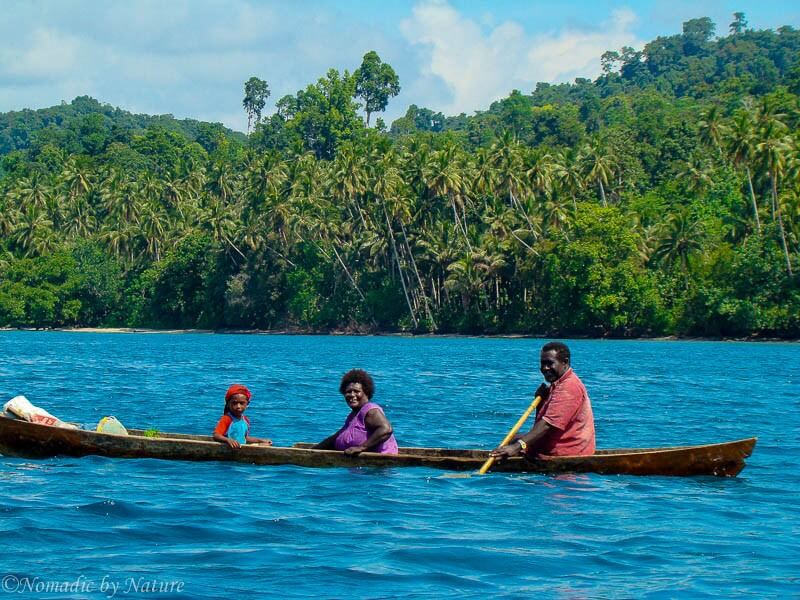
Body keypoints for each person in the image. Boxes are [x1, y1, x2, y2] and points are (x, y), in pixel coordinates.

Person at [490, 341, 595, 460]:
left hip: (567, 453)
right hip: (553, 448)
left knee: (516, 443)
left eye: (550, 363)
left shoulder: (569, 387)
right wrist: (541, 402)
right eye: (543, 363)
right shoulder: (557, 385)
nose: (545, 368)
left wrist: (517, 447)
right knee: (514, 438)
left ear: (565, 362)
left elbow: (547, 425)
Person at [314, 369, 398, 455]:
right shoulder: (353, 415)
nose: (352, 395)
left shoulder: (371, 410)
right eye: (348, 392)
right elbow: (335, 438)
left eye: (357, 391)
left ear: (367, 393)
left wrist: (361, 447)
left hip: (378, 466)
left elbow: (386, 429)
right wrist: (313, 450)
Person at [213, 384, 272, 449]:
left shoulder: (246, 420)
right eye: (234, 403)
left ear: (247, 404)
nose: (238, 406)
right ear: (228, 404)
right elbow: (216, 435)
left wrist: (260, 440)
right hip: (229, 448)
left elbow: (245, 438)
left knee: (265, 444)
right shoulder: (227, 419)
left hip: (241, 448)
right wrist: (228, 440)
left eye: (242, 403)